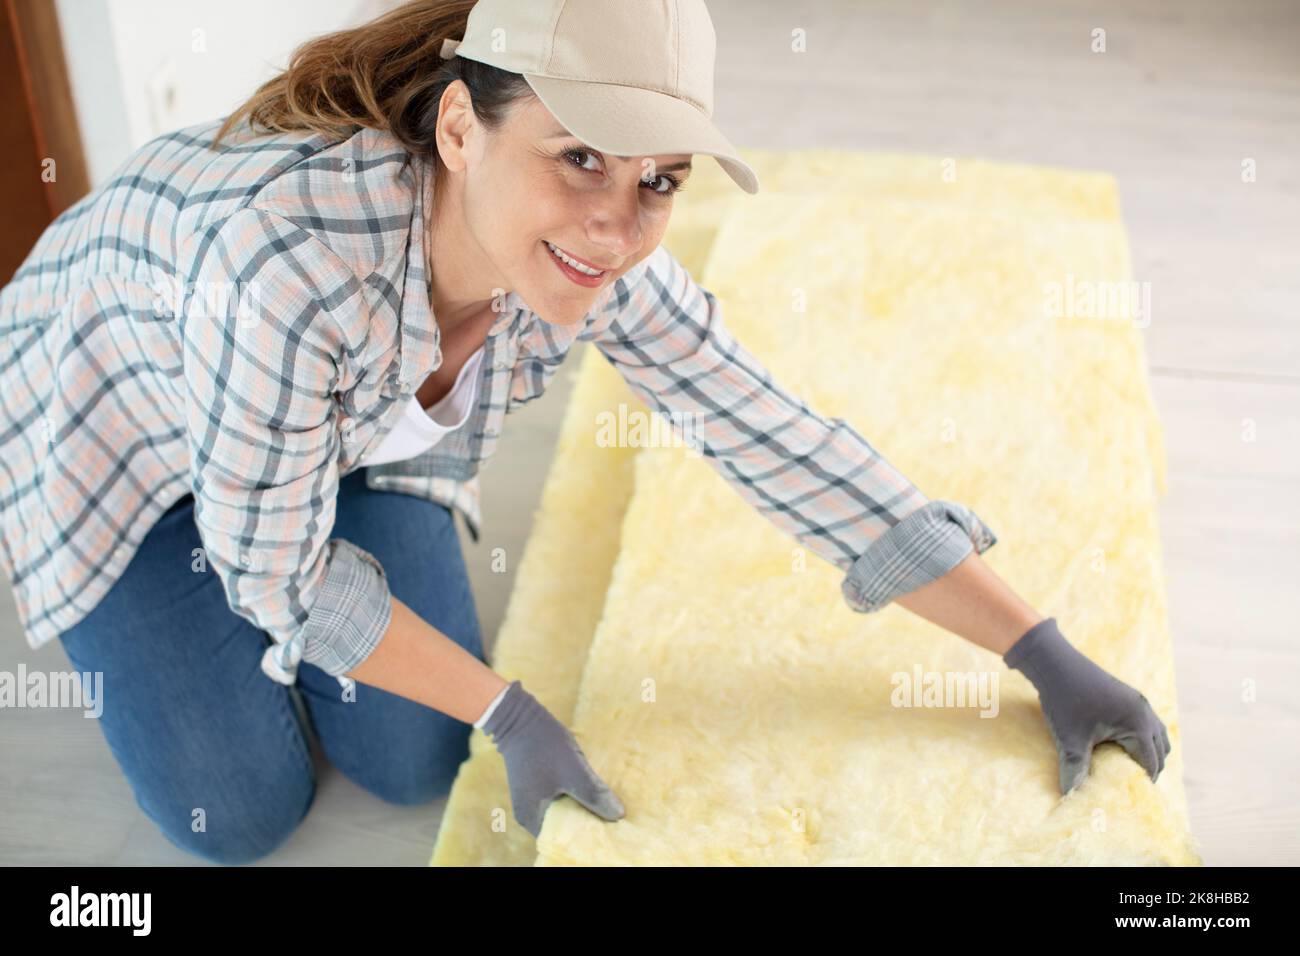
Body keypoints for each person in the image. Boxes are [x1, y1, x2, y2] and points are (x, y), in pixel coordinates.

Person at [0, 0, 1169, 864]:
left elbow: (770, 432)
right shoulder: (284, 269)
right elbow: (274, 574)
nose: (616, 225)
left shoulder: (591, 262)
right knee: (239, 815)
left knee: (414, 762)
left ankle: (310, 478)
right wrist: (510, 706)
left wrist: (1037, 648)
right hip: (121, 440)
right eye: (579, 160)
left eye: (659, 179)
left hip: (316, 418)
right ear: (460, 128)